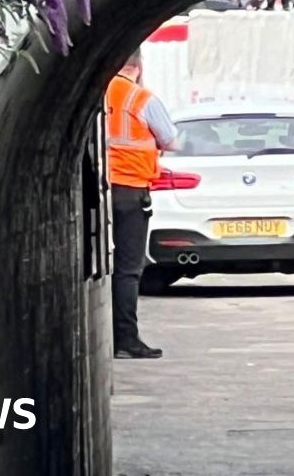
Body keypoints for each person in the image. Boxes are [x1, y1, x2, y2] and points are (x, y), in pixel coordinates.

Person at [105, 47, 181, 359]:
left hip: (100, 187)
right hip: (131, 189)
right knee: (128, 268)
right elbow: (171, 140)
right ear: (138, 65)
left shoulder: (99, 93)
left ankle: (118, 337)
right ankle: (126, 340)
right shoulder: (141, 98)